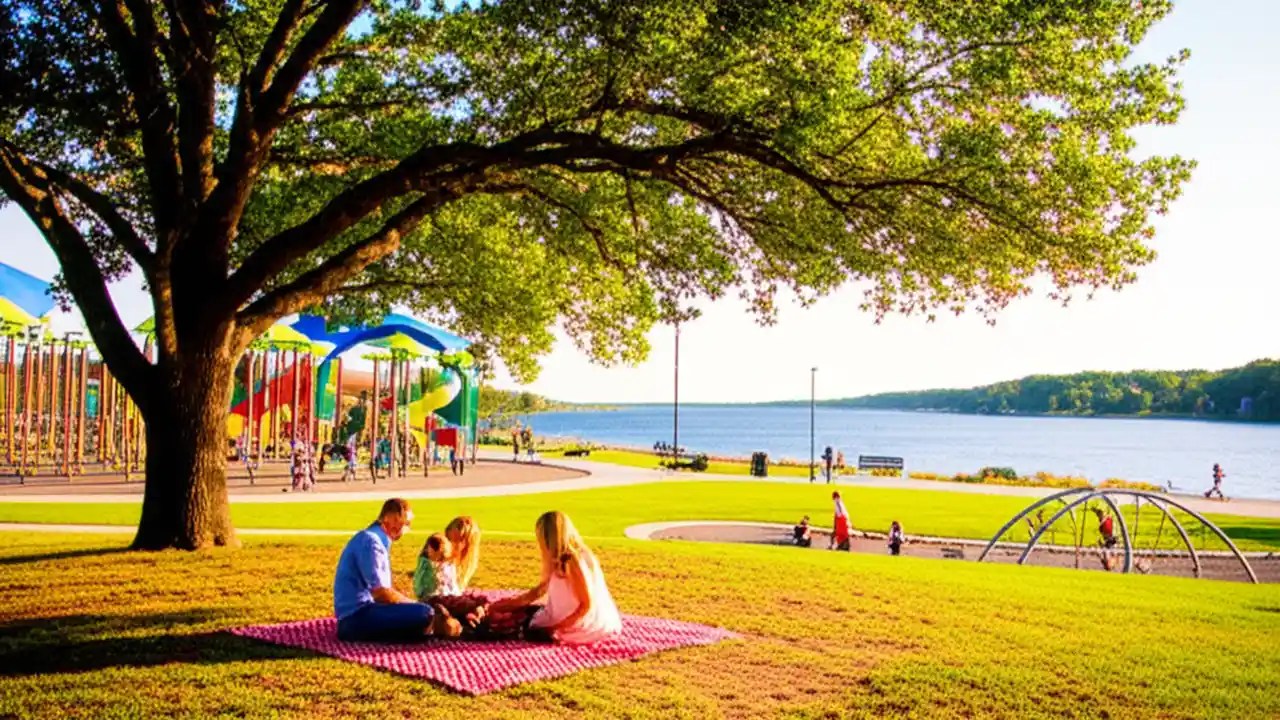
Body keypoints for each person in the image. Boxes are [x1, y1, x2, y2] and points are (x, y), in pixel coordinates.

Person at [332, 498, 460, 642]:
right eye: (406, 523)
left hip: (356, 615)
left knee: (418, 611)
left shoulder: (372, 540)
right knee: (425, 613)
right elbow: (381, 594)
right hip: (356, 618)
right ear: (390, 519)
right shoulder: (372, 542)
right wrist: (414, 604)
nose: (406, 529)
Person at [485, 511, 622, 644]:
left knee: (525, 626)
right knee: (523, 613)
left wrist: (555, 628)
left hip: (575, 623)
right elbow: (537, 592)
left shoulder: (572, 561)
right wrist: (503, 605)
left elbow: (586, 604)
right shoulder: (558, 560)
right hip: (564, 616)